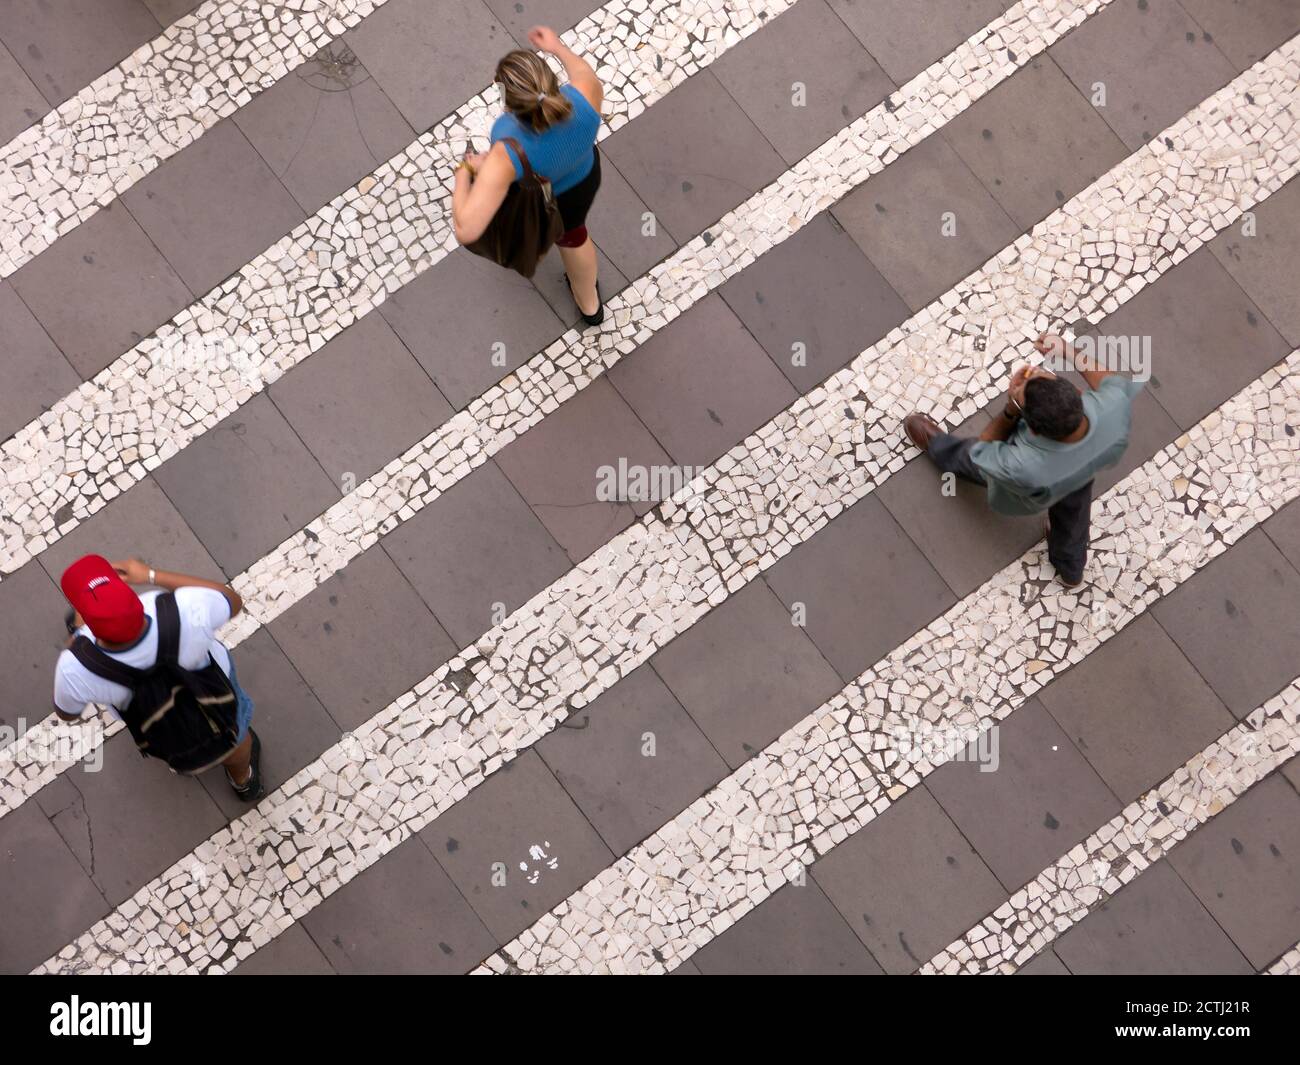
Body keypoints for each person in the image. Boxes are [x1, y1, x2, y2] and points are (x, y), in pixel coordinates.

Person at [903, 333, 1143, 587]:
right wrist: (1067, 351)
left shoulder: (1021, 465)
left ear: (1034, 430)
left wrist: (1011, 409)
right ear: (1077, 395)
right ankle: (1070, 569)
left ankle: (941, 448)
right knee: (1073, 515)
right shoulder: (1116, 405)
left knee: (970, 461)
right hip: (1082, 472)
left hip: (1035, 489)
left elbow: (983, 452)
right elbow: (1109, 381)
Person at [52, 555, 264, 800]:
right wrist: (151, 575)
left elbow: (67, 713)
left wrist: (79, 636)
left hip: (158, 725)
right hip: (214, 694)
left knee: (177, 742)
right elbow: (232, 601)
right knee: (236, 741)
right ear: (131, 594)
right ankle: (244, 782)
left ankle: (185, 762)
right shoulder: (182, 608)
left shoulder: (75, 667)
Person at [451, 25, 606, 325]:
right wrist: (558, 48)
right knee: (575, 236)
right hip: (584, 179)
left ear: (509, 103)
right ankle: (590, 305)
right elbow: (583, 70)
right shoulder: (585, 95)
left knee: (566, 233)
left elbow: (466, 229)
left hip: (545, 198)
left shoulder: (505, 146)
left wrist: (465, 171)